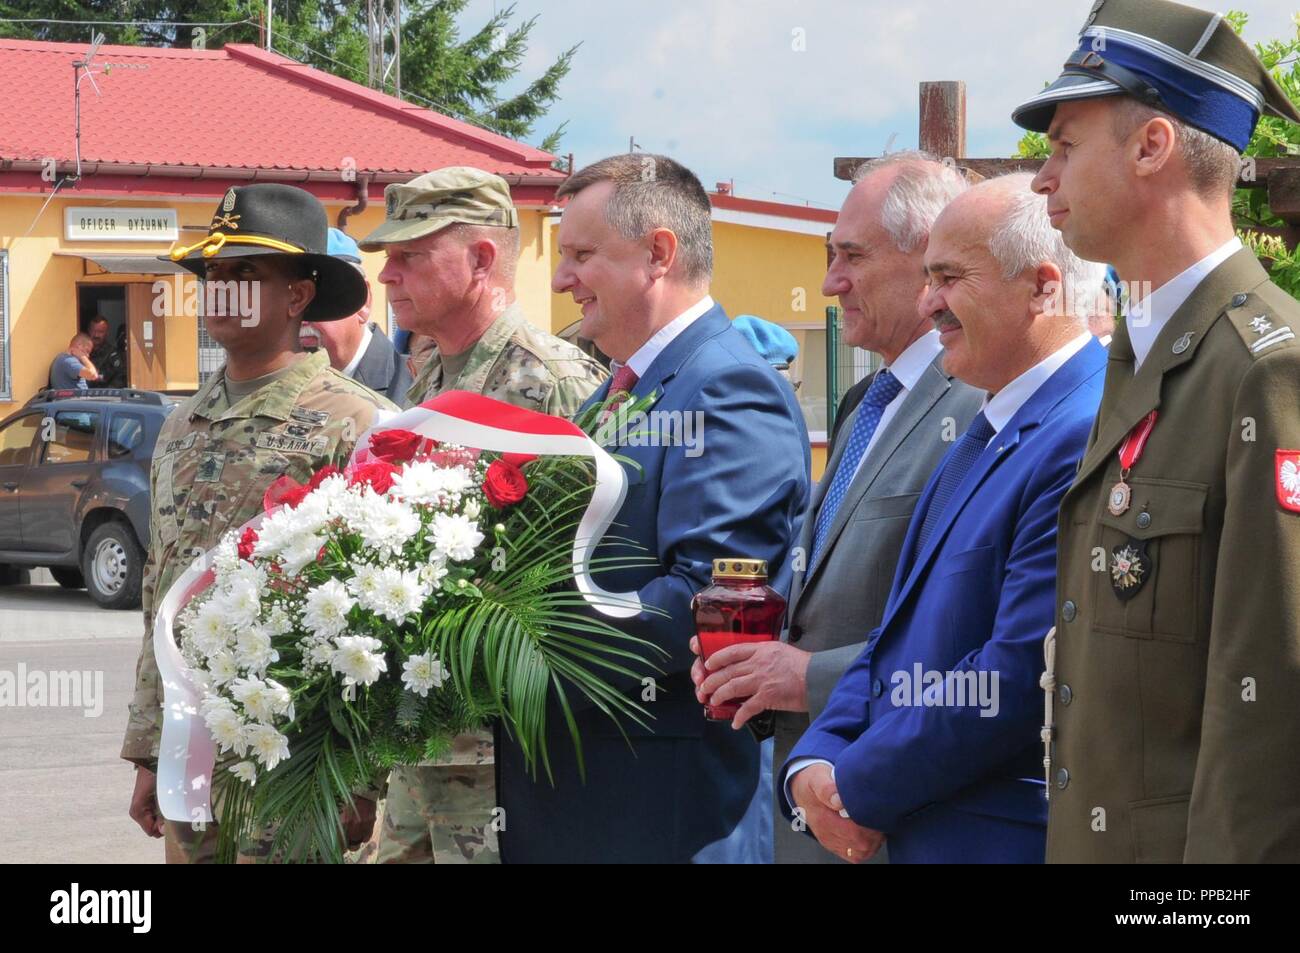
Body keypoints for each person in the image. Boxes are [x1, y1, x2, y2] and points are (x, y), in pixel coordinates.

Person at [1014, 0, 1300, 862]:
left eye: (1064, 146)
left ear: (1152, 148)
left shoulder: (1263, 368)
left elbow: (1271, 711)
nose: (1040, 178)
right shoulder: (1143, 348)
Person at [781, 173, 1108, 863]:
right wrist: (814, 758)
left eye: (950, 277)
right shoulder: (986, 424)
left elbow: (1020, 672)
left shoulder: (1083, 431)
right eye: (927, 276)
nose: (929, 303)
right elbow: (890, 637)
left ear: (1044, 286)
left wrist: (856, 784)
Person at [496, 153, 810, 863]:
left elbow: (710, 596)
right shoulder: (612, 391)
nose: (559, 278)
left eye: (580, 254)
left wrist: (519, 654)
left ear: (658, 253)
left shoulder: (728, 387)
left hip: (661, 813)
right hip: (587, 804)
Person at [692, 152, 982, 864]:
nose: (830, 282)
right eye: (829, 255)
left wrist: (808, 675)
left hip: (900, 813)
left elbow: (984, 635)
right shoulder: (867, 401)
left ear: (929, 258)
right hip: (819, 807)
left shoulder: (978, 408)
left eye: (851, 255)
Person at [121, 183, 398, 863]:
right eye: (214, 275)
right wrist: (149, 748)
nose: (220, 291)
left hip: (300, 761)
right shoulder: (181, 425)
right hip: (195, 750)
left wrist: (361, 774)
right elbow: (162, 590)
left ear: (298, 296)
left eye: (244, 275)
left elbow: (382, 612)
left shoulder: (355, 422)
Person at [356, 167, 607, 864]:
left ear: (482, 259)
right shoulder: (433, 376)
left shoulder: (554, 381)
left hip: (510, 760)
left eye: (410, 255)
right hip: (423, 748)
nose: (386, 276)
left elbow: (587, 576)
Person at [299, 228, 412, 399]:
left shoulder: (414, 389)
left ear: (363, 301)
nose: (298, 317)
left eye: (315, 299)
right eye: (284, 299)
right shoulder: (270, 388)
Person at [87, 315, 127, 388]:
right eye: (94, 331)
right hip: (84, 395)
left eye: (100, 332)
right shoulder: (82, 352)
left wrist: (108, 392)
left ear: (107, 333)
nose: (96, 335)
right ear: (89, 331)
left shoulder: (113, 353)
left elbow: (121, 376)